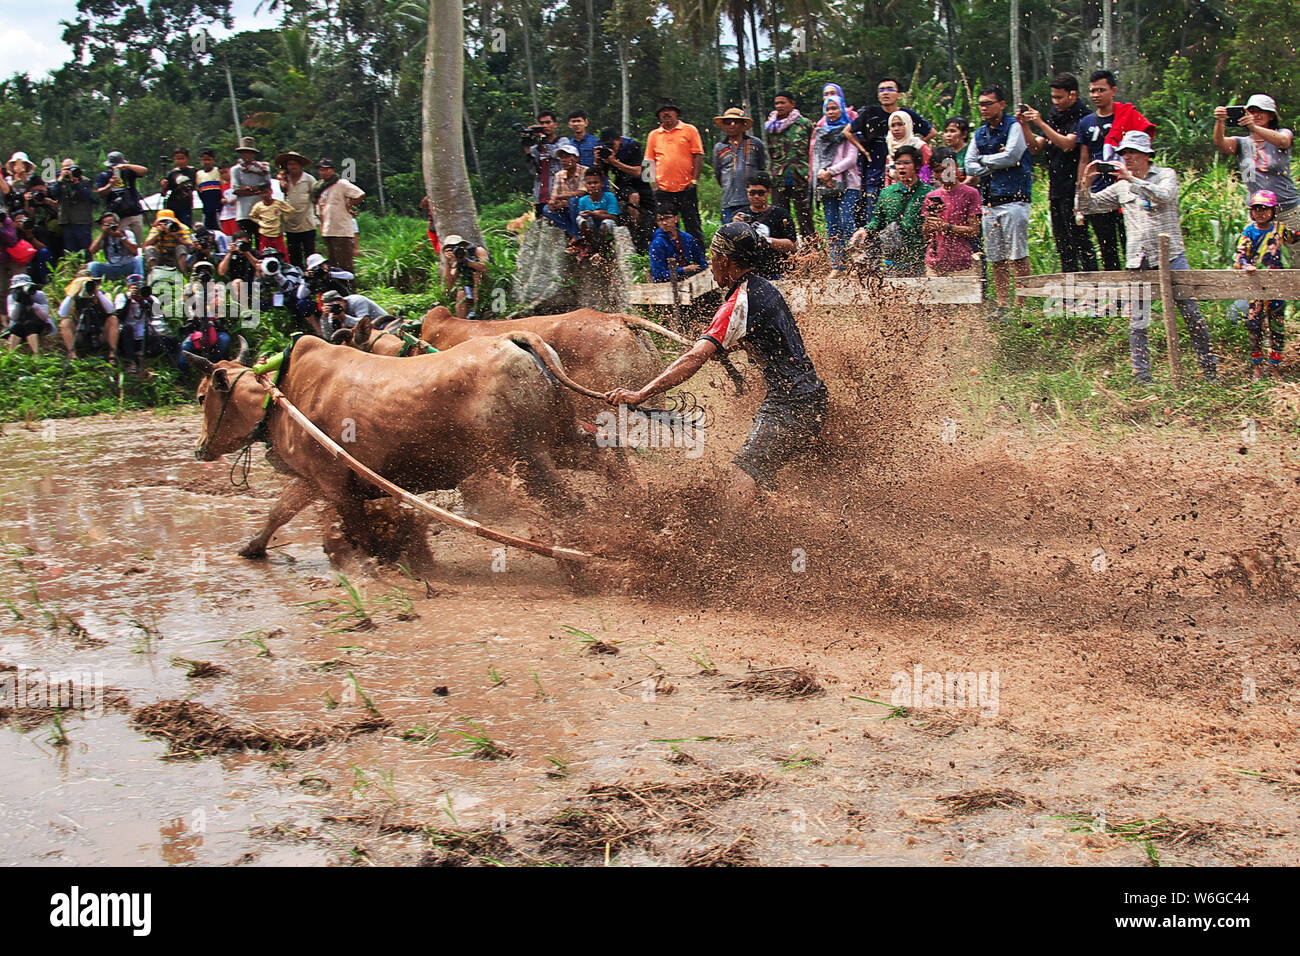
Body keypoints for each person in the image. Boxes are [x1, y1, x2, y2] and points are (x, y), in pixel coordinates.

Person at [605, 220, 828, 504]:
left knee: (744, 473)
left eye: (712, 257)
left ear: (724, 260)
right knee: (762, 475)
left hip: (790, 403)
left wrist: (640, 394)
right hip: (811, 396)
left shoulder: (738, 303)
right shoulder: (764, 288)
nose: (711, 264)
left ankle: (737, 538)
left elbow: (694, 357)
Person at [1077, 131, 1218, 384]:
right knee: (1138, 321)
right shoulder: (1120, 186)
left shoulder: (1166, 176)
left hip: (1171, 256)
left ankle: (1210, 371)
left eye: (1132, 153)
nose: (1127, 157)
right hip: (1138, 260)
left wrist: (1132, 179)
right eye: (1123, 154)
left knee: (1191, 314)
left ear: (1147, 155)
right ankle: (1142, 377)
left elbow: (1164, 197)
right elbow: (1088, 207)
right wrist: (1085, 185)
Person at [1019, 73, 1097, 274]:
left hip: (1076, 185)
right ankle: (1070, 289)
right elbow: (1036, 147)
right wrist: (1025, 125)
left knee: (1080, 239)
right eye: (1053, 97)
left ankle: (1092, 287)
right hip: (1057, 185)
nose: (1056, 102)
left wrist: (1041, 123)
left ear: (1073, 94)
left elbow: (1068, 144)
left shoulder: (1082, 115)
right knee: (1062, 241)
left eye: (1060, 97)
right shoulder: (1056, 113)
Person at [965, 87, 1032, 317]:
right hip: (989, 201)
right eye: (981, 104)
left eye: (988, 103)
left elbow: (1013, 155)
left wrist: (984, 161)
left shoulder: (1014, 126)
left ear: (1001, 104)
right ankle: (1003, 303)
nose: (984, 108)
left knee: (1018, 254)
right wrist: (995, 160)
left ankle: (1021, 304)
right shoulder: (980, 133)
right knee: (996, 256)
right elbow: (969, 164)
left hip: (1015, 198)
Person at [1076, 71, 1152, 271]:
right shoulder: (1086, 123)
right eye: (1092, 91)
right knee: (1107, 247)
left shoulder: (1129, 116)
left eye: (1101, 90)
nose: (1096, 95)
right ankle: (1116, 297)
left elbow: (1144, 149)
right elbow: (1084, 159)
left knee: (1132, 242)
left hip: (1128, 189)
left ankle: (1135, 295)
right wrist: (1082, 188)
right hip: (1101, 191)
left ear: (1113, 91)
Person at [844, 77, 936, 229]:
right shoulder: (870, 114)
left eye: (890, 89)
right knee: (874, 217)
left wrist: (912, 147)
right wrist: (863, 150)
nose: (885, 93)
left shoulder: (907, 115)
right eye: (881, 90)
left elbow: (931, 132)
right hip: (876, 173)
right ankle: (875, 251)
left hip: (908, 181)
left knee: (907, 221)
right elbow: (847, 131)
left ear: (899, 95)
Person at [1233, 190, 1297, 378]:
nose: (1261, 213)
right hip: (1257, 286)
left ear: (1274, 210)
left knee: (1277, 327)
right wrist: (1247, 265)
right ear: (1251, 211)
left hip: (1276, 285)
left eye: (1265, 209)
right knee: (1255, 327)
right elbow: (1240, 256)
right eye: (1257, 209)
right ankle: (1257, 367)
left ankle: (1275, 367)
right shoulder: (1249, 231)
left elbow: (1294, 238)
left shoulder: (1279, 229)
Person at [1214, 94, 1298, 231]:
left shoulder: (1282, 133)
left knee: (1293, 251)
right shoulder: (1242, 143)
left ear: (1271, 116)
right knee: (1256, 251)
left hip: (1287, 209)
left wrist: (1254, 128)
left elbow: (1283, 141)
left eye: (1261, 111)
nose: (1257, 115)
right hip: (1258, 213)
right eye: (1252, 111)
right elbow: (1221, 143)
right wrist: (1220, 122)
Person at [852, 146, 929, 276]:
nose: (901, 167)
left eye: (906, 163)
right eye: (898, 163)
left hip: (918, 261)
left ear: (916, 166)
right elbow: (878, 220)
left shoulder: (929, 194)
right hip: (892, 260)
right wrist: (865, 230)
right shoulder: (887, 193)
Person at [811, 94, 861, 269]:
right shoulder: (821, 133)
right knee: (832, 226)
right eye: (828, 109)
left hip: (850, 184)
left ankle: (858, 262)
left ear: (842, 109)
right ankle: (837, 266)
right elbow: (815, 158)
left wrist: (830, 172)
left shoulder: (849, 130)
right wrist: (821, 175)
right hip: (827, 185)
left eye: (835, 108)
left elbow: (851, 158)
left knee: (847, 222)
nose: (831, 112)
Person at [646, 101, 705, 245]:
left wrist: (694, 180)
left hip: (686, 187)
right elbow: (648, 161)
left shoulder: (689, 130)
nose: (666, 113)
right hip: (663, 190)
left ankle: (699, 256)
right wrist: (653, 185)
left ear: (676, 113)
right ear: (659, 115)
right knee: (667, 225)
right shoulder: (654, 135)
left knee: (692, 224)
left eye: (670, 110)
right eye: (663, 111)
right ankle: (673, 258)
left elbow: (698, 155)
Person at [921, 147, 982, 276]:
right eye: (938, 171)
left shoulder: (970, 194)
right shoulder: (931, 197)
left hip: (963, 264)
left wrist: (946, 227)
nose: (943, 174)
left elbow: (974, 231)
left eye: (946, 169)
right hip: (934, 263)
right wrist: (931, 221)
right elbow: (926, 235)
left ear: (956, 166)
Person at [765, 91, 817, 240]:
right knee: (780, 217)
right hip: (779, 179)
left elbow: (813, 150)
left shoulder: (805, 124)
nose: (779, 106)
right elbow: (770, 151)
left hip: (801, 177)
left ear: (792, 104)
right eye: (776, 103)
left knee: (805, 217)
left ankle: (811, 253)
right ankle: (785, 253)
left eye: (783, 102)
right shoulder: (771, 127)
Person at [595, 127, 653, 251]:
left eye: (612, 144)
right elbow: (602, 177)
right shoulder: (605, 153)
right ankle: (635, 234)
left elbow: (641, 172)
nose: (611, 148)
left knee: (654, 211)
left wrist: (614, 162)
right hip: (622, 184)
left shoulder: (633, 146)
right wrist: (598, 162)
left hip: (641, 180)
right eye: (607, 145)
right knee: (633, 198)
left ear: (619, 140)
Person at [732, 173, 796, 279]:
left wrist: (766, 241)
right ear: (747, 193)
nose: (756, 196)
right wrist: (735, 227)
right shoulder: (739, 215)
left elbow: (792, 245)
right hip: (750, 272)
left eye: (761, 193)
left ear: (769, 192)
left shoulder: (781, 214)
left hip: (778, 270)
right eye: (752, 193)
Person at [713, 107, 767, 224]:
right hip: (728, 201)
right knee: (730, 234)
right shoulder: (719, 147)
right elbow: (718, 174)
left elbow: (762, 169)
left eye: (736, 122)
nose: (731, 125)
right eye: (727, 123)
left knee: (754, 233)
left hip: (751, 200)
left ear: (743, 125)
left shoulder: (755, 144)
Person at [312, 158, 365, 273]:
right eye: (321, 170)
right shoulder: (319, 188)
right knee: (333, 265)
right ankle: (337, 289)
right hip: (327, 231)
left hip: (341, 231)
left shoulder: (341, 183)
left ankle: (350, 290)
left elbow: (359, 194)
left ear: (332, 170)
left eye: (326, 169)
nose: (323, 172)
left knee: (345, 264)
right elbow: (320, 212)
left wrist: (350, 204)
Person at [115, 273, 172, 376]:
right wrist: (129, 301)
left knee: (170, 340)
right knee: (127, 328)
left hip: (145, 337)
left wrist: (146, 302)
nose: (138, 291)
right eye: (135, 287)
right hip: (127, 338)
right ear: (129, 287)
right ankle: (132, 361)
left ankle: (140, 355)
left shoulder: (151, 299)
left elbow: (158, 319)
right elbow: (119, 317)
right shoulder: (122, 297)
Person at [57, 270, 119, 361]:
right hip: (81, 333)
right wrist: (71, 294)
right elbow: (62, 314)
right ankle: (73, 355)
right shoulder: (74, 297)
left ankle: (112, 354)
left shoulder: (103, 294)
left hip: (100, 333)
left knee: (113, 319)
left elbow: (110, 310)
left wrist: (96, 292)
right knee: (65, 322)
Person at [275, 150, 318, 268]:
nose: (292, 167)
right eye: (289, 164)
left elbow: (317, 197)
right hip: (290, 224)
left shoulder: (309, 179)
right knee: (294, 255)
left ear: (300, 165)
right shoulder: (284, 180)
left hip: (307, 223)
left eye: (295, 164)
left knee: (310, 254)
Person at [524, 111, 571, 217]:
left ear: (555, 124)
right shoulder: (537, 147)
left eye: (548, 122)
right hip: (541, 193)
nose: (545, 126)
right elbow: (533, 170)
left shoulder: (563, 141)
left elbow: (557, 154)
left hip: (558, 192)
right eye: (541, 123)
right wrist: (527, 145)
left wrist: (544, 140)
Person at [94, 151, 148, 243]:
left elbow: (144, 171)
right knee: (123, 242)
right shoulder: (104, 176)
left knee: (138, 243)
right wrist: (110, 184)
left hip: (134, 212)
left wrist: (127, 166)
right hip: (119, 216)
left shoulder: (128, 172)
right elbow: (101, 193)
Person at [50, 159, 95, 263]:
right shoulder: (60, 182)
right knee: (70, 253)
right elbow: (53, 193)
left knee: (86, 252)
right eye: (65, 168)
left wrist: (75, 182)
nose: (68, 171)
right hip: (67, 221)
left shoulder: (84, 180)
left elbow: (86, 195)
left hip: (82, 221)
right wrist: (60, 179)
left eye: (70, 168)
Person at [648, 209, 707, 282]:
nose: (664, 223)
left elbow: (701, 262)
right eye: (660, 220)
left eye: (667, 218)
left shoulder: (687, 238)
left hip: (689, 280)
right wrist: (684, 270)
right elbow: (658, 275)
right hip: (667, 285)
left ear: (676, 218)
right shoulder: (657, 244)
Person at [3, 273, 55, 355]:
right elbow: (13, 317)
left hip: (38, 323)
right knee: (17, 326)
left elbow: (44, 317)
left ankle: (37, 355)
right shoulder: (12, 297)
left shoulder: (39, 295)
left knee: (29, 324)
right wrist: (18, 302)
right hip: (19, 323)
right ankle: (10, 355)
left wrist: (32, 304)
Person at [440, 235, 490, 319]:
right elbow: (450, 283)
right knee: (460, 293)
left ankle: (478, 313)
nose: (456, 250)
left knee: (477, 276)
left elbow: (486, 268)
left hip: (487, 283)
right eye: (451, 248)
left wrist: (466, 261)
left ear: (464, 245)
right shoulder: (456, 261)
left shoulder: (477, 251)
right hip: (470, 288)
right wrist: (447, 261)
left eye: (457, 246)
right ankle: (462, 321)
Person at [231, 137, 272, 240]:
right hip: (243, 213)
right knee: (244, 242)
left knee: (261, 242)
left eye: (249, 152)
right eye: (244, 152)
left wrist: (248, 189)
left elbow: (267, 187)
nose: (246, 155)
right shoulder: (236, 170)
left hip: (260, 211)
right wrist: (257, 189)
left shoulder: (263, 168)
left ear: (253, 154)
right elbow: (236, 191)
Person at [543, 144, 587, 239]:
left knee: (574, 201)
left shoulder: (585, 171)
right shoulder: (559, 175)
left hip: (582, 209)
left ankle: (577, 236)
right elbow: (554, 195)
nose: (563, 160)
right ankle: (572, 233)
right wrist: (553, 202)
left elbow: (581, 193)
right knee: (547, 209)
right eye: (561, 158)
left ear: (576, 158)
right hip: (566, 207)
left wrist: (559, 198)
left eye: (567, 157)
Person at [574, 170, 619, 259]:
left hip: (607, 228)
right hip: (592, 228)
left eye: (595, 182)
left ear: (602, 183)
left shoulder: (609, 197)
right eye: (589, 183)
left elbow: (613, 216)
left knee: (606, 223)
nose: (593, 186)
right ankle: (590, 244)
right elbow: (582, 216)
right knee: (580, 219)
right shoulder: (583, 200)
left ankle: (603, 248)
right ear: (586, 185)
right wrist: (601, 212)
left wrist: (593, 213)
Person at [88, 211, 143, 280]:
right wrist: (102, 234)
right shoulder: (105, 237)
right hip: (111, 267)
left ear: (118, 224)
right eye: (106, 225)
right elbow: (92, 251)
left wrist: (121, 237)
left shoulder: (127, 233)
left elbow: (135, 252)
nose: (109, 227)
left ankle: (138, 282)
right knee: (92, 265)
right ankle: (92, 287)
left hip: (127, 266)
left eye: (111, 224)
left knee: (139, 259)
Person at [884, 110, 932, 185]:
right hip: (895, 192)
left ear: (908, 125)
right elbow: (888, 177)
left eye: (900, 124)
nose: (896, 129)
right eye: (893, 125)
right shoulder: (891, 147)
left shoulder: (919, 146)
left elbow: (927, 172)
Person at [248, 183, 295, 257]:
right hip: (265, 233)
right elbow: (252, 216)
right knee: (264, 255)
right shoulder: (258, 206)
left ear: (271, 191)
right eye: (262, 193)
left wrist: (284, 220)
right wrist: (260, 222)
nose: (265, 195)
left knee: (282, 255)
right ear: (260, 194)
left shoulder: (278, 203)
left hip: (277, 234)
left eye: (267, 192)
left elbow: (290, 210)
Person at [321, 289, 394, 330]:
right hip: (364, 332)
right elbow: (328, 336)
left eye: (335, 304)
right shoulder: (333, 312)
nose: (335, 308)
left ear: (341, 300)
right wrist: (325, 319)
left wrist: (344, 317)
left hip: (384, 324)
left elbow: (364, 323)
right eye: (330, 306)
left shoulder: (357, 301)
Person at [161, 148, 198, 227]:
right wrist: (163, 186)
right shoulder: (172, 173)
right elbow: (164, 193)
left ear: (187, 158)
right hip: (173, 204)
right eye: (177, 159)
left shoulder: (193, 171)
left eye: (182, 158)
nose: (180, 161)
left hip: (186, 204)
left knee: (185, 226)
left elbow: (196, 186)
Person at [194, 150, 223, 231]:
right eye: (204, 160)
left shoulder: (217, 171)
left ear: (213, 160)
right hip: (207, 207)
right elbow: (198, 190)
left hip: (218, 207)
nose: (206, 162)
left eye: (209, 159)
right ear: (201, 160)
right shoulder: (199, 174)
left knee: (219, 228)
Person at [218, 165, 239, 237]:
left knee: (236, 235)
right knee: (227, 236)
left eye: (225, 172)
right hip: (226, 215)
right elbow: (220, 198)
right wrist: (222, 200)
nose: (224, 175)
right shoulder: (222, 186)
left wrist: (235, 200)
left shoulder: (237, 184)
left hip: (236, 215)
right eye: (221, 173)